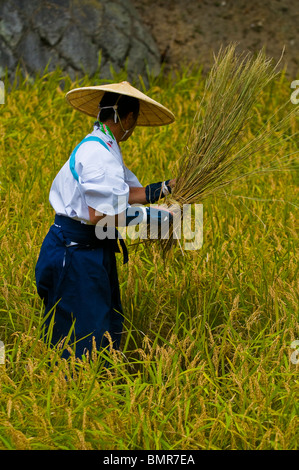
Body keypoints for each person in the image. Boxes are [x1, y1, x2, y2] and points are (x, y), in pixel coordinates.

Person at [35, 81, 175, 360]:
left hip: (91, 249)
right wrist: (161, 217)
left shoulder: (104, 145)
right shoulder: (98, 155)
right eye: (134, 123)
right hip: (75, 255)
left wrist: (168, 187)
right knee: (82, 338)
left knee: (104, 324)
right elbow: (104, 215)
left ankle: (98, 384)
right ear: (129, 118)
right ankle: (74, 391)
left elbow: (123, 193)